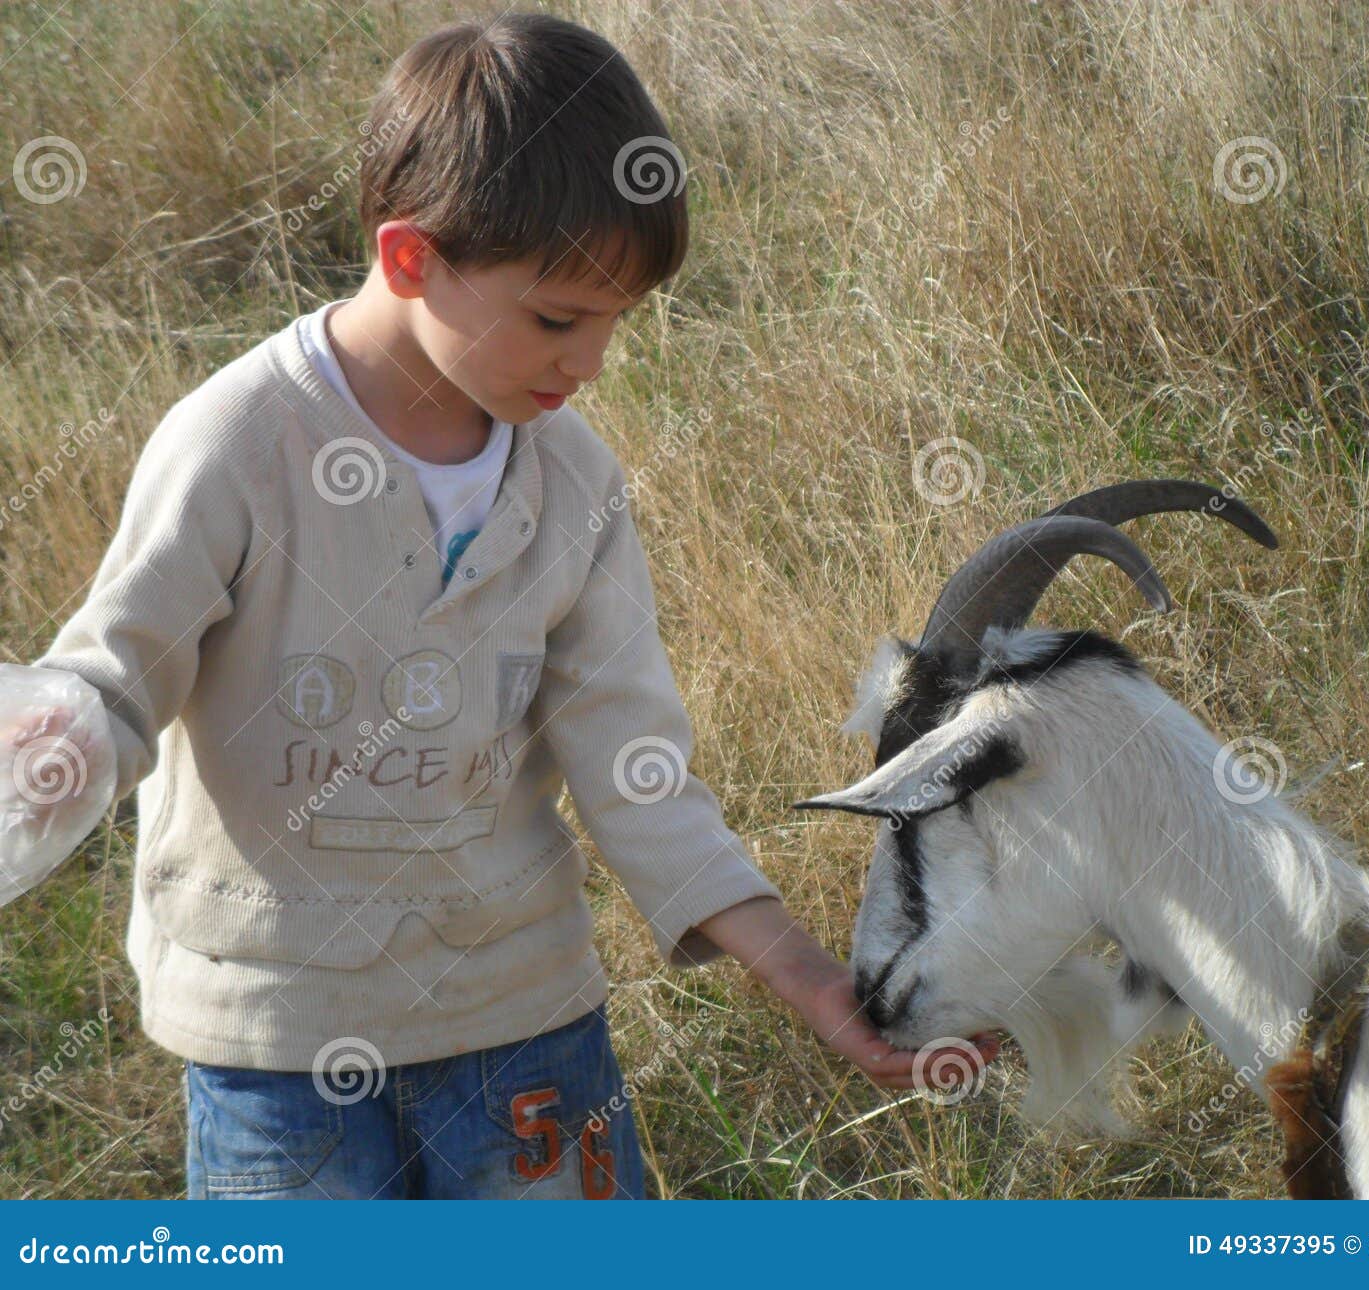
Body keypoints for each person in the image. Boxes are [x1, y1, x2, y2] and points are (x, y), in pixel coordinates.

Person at [4, 12, 995, 1199]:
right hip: (276, 1046)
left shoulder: (570, 479)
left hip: (524, 1028)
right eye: (558, 318)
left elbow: (636, 769)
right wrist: (46, 750)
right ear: (413, 257)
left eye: (616, 323)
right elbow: (111, 684)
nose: (588, 364)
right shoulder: (235, 447)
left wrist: (810, 980)